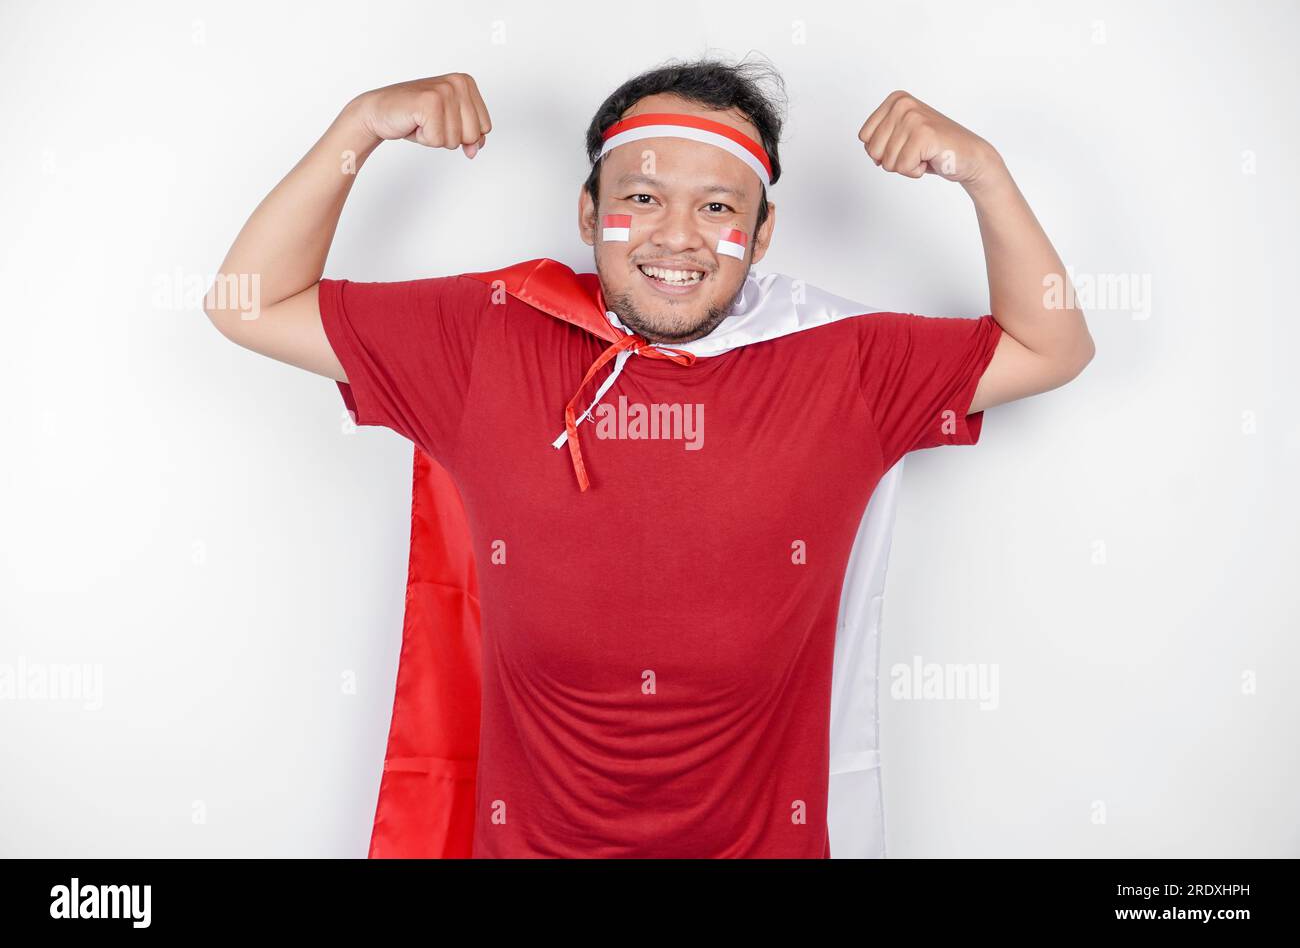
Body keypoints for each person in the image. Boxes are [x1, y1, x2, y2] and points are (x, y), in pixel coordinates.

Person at [202, 57, 1094, 858]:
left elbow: (1052, 348)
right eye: (642, 197)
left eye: (718, 207)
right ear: (589, 214)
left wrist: (985, 175)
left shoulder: (844, 362)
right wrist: (360, 126)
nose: (679, 236)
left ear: (764, 232)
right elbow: (248, 303)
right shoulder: (489, 339)